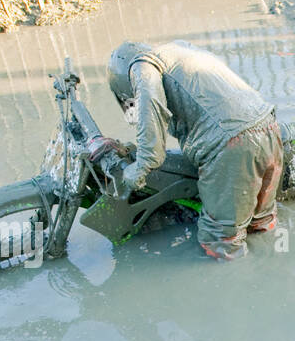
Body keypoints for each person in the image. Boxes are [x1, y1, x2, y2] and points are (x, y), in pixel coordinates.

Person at [101, 40, 284, 260]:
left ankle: (239, 287)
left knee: (219, 241)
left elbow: (151, 138)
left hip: (232, 144)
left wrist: (138, 169)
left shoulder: (142, 66)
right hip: (269, 126)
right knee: (260, 221)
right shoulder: (181, 50)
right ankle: (279, 260)